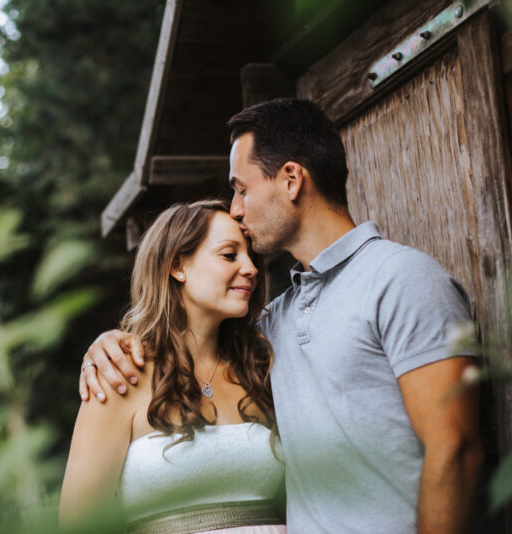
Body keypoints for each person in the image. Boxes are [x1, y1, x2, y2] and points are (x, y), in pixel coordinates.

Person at [80, 98, 483, 534]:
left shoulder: (402, 278)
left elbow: (456, 448)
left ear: (291, 179)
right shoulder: (272, 326)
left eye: (241, 188)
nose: (235, 207)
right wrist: (107, 345)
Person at [59, 200, 286, 533]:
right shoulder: (120, 374)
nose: (251, 268)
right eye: (229, 255)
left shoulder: (261, 368)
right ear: (177, 266)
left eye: (251, 256)